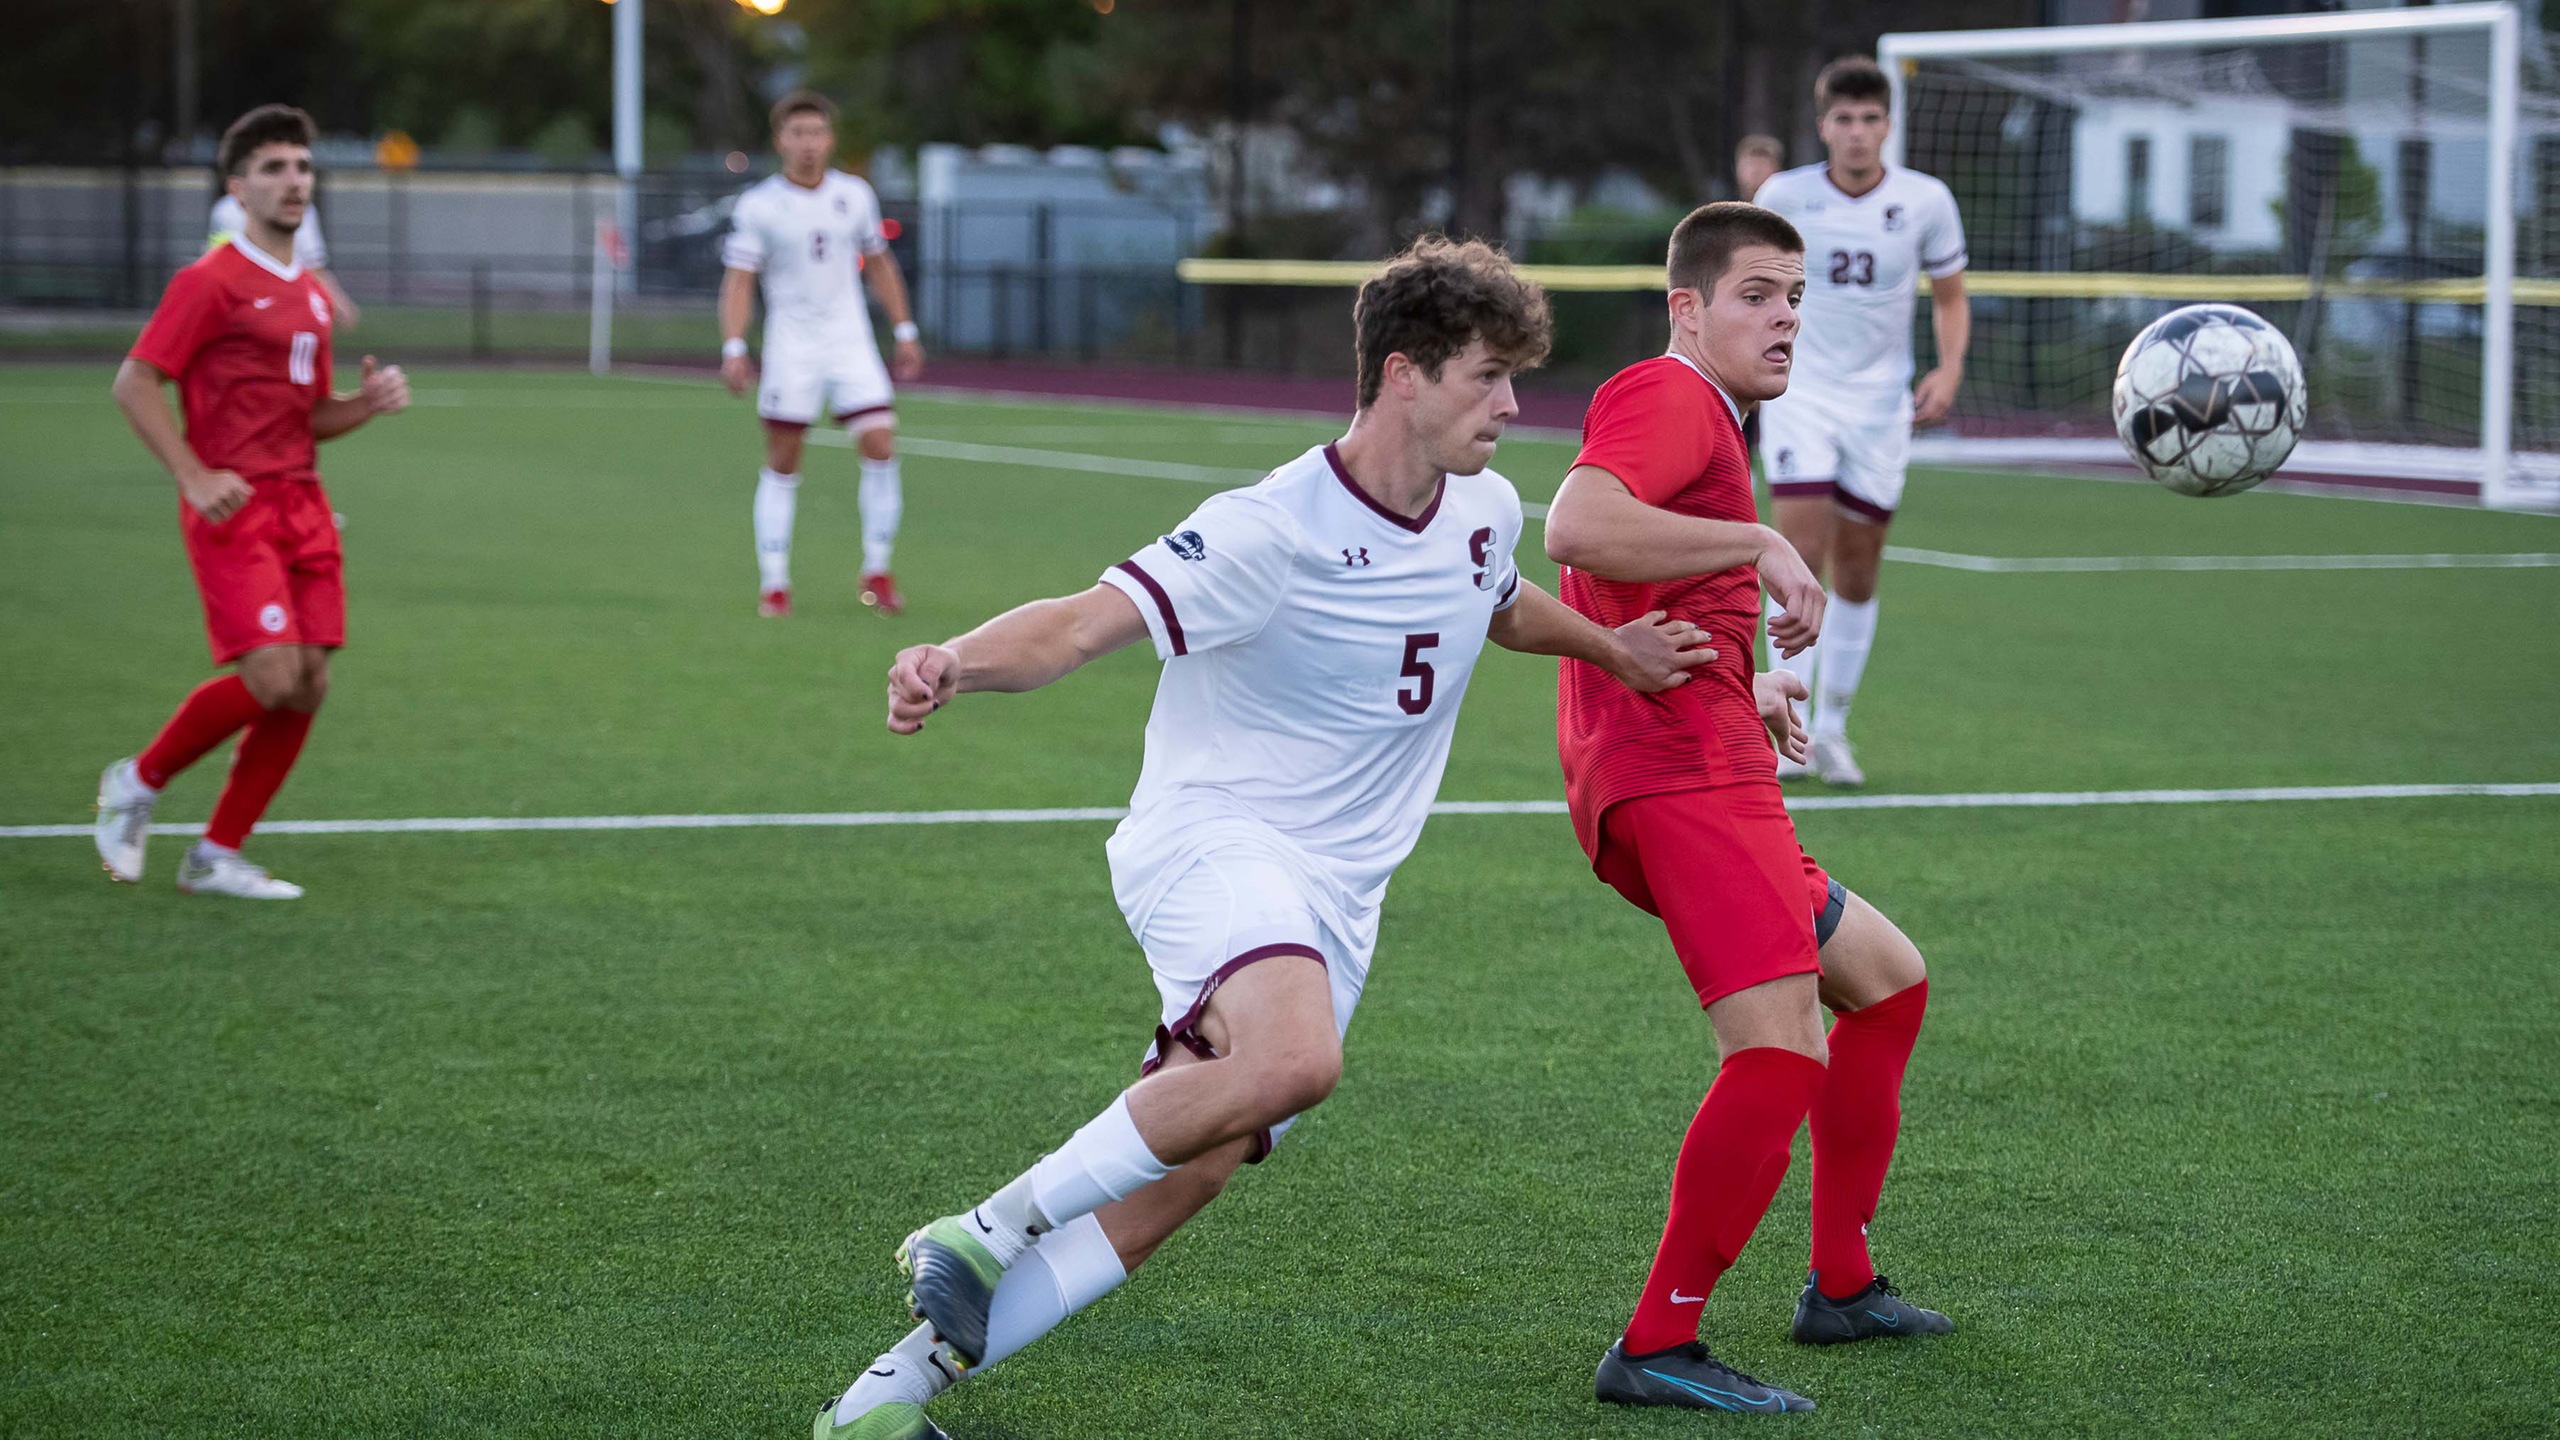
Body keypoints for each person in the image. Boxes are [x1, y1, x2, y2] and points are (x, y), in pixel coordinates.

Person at [813, 238, 1715, 1440]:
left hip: (1338, 899)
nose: (1512, 405)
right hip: (1217, 843)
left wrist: (1618, 650)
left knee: (1178, 1177)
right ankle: (978, 1232)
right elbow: (1084, 624)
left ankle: (884, 1401)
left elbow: (1493, 598)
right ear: (1403, 374)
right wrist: (951, 664)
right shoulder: (1267, 528)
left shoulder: (1486, 509)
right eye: (1487, 378)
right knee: (1296, 1065)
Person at [1543, 201, 1949, 1415]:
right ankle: (1657, 1346)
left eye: (1794, 298)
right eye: (1756, 295)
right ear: (1688, 306)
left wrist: (1750, 672)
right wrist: (1765, 539)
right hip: (1680, 778)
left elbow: (1632, 573)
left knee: (1885, 982)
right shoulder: (1667, 394)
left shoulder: (1713, 417)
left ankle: (1841, 1282)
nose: (1783, 319)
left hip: (1709, 750)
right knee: (1776, 1052)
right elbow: (1574, 523)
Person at [93, 104, 410, 900]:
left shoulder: (307, 293)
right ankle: (136, 781)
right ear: (237, 188)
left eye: (302, 167)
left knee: (308, 684)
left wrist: (364, 404)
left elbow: (305, 419)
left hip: (304, 502)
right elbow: (134, 383)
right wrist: (194, 476)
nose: (294, 181)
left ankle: (216, 853)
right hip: (232, 506)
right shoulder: (209, 281)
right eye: (273, 168)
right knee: (271, 677)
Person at [1750, 56, 1970, 786]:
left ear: (1888, 126)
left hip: (1881, 407)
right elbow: (1746, 284)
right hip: (1800, 395)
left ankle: (1836, 726)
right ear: (1822, 127)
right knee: (1797, 552)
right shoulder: (1785, 195)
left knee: (1860, 565)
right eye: (1843, 120)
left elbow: (1948, 294)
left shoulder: (1926, 200)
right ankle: (1787, 725)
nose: (1856, 133)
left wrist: (1949, 367)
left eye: (1870, 119)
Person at [720, 90, 926, 618]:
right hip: (793, 346)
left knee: (881, 443)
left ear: (830, 140)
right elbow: (739, 281)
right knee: (784, 460)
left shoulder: (854, 196)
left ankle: (877, 572)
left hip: (850, 342)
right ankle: (775, 583)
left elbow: (879, 264)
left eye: (816, 133)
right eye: (797, 134)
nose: (808, 144)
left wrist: (904, 329)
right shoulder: (760, 204)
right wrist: (735, 346)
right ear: (779, 141)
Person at [210, 185, 361, 331]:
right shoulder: (298, 208)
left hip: (240, 307)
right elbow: (314, 267)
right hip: (276, 308)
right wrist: (339, 302)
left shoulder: (224, 208)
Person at [1734, 134, 1785, 203]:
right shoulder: (1722, 206)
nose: (1756, 170)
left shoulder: (1785, 207)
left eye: (1763, 164)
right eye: (1750, 164)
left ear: (1777, 169)